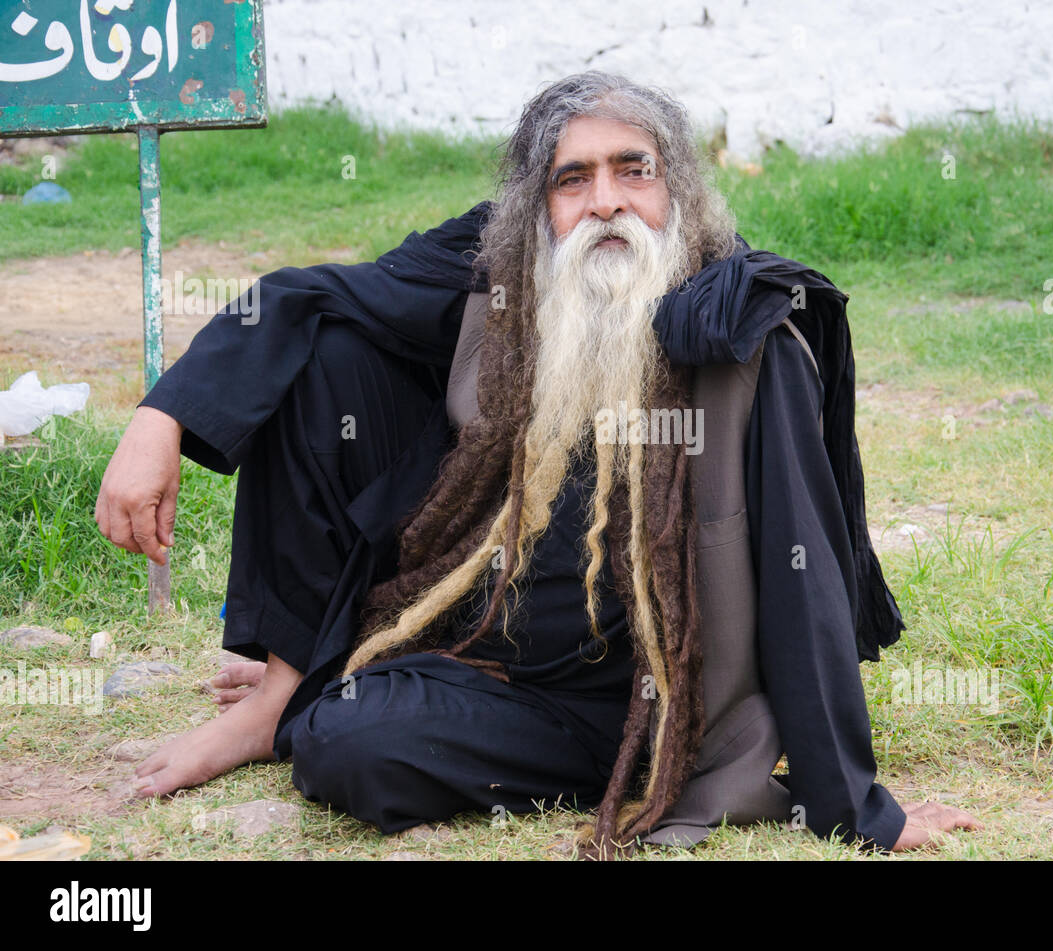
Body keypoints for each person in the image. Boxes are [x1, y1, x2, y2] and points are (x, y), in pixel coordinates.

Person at [95, 71, 980, 857]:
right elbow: (302, 297)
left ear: (678, 190)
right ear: (534, 205)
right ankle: (286, 689)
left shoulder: (739, 330)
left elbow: (803, 564)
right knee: (326, 353)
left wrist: (859, 808)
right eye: (573, 178)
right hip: (473, 645)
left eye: (634, 169)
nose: (606, 202)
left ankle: (334, 697)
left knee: (349, 749)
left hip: (626, 701)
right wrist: (159, 418)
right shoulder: (501, 269)